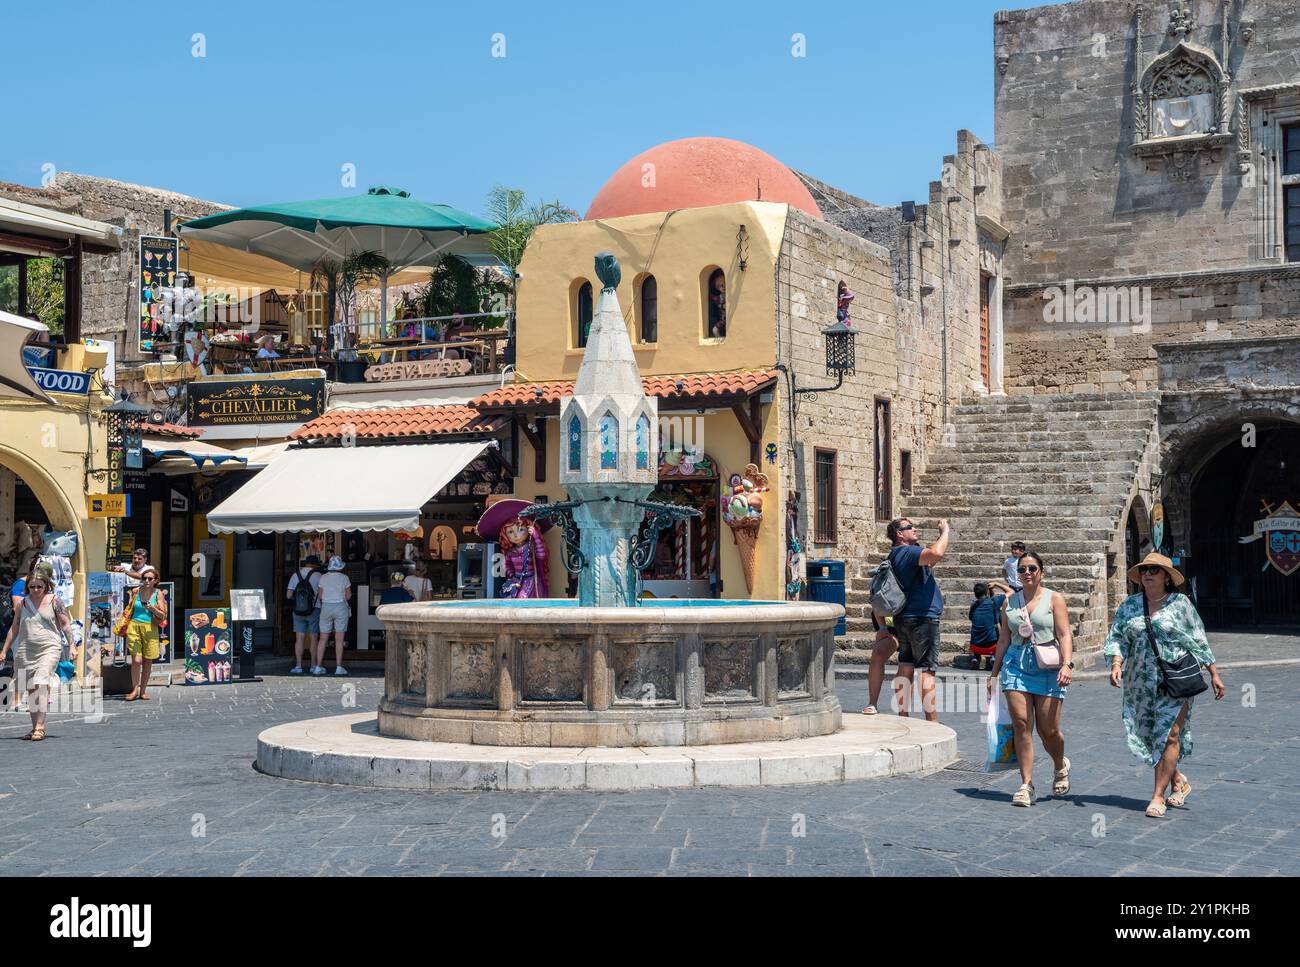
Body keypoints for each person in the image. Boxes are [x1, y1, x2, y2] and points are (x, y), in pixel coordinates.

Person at [1103, 552, 1225, 819]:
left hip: (1175, 678)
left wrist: (1213, 673)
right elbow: (1119, 637)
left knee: (1169, 734)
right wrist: (1115, 664)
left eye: (1154, 570)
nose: (1148, 574)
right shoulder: (1130, 606)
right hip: (1140, 681)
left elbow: (1198, 638)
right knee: (1149, 735)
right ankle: (1177, 779)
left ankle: (1157, 796)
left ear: (1167, 577)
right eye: (1145, 570)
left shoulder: (1180, 605)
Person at [987, 551, 1074, 806]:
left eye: (1032, 569)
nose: (1026, 573)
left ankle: (1059, 764)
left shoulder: (1054, 599)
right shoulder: (1008, 602)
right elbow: (1003, 638)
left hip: (1047, 664)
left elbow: (1065, 634)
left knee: (1049, 731)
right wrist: (994, 674)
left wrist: (1067, 664)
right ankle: (1026, 785)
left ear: (1041, 572)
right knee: (1022, 724)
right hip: (1015, 664)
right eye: (1022, 569)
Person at [865, 517, 948, 720]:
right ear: (899, 534)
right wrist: (945, 532)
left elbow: (931, 559)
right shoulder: (909, 552)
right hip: (923, 618)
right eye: (909, 527)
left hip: (903, 618)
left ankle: (903, 714)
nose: (915, 529)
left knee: (906, 665)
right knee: (927, 671)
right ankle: (932, 721)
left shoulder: (895, 555)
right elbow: (937, 553)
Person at [0, 565, 75, 741]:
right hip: (26, 649)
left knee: (41, 682)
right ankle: (35, 727)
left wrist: (72, 645)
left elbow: (65, 624)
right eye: (32, 586)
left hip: (49, 647)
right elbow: (15, 627)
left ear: (46, 585)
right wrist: (4, 650)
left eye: (39, 586)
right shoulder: (23, 603)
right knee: (31, 688)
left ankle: (40, 727)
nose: (35, 590)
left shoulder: (54, 601)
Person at [123, 566, 169, 701]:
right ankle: (134, 690)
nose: (147, 581)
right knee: (136, 660)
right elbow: (129, 609)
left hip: (150, 627)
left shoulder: (158, 593)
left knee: (148, 661)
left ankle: (143, 691)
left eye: (150, 578)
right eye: (144, 578)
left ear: (155, 580)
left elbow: (163, 615)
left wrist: (152, 608)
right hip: (134, 626)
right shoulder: (136, 591)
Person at [315, 556, 351, 676]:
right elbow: (348, 596)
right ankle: (339, 667)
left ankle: (318, 666)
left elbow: (320, 595)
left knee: (323, 638)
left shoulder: (323, 577)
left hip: (326, 607)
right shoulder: (344, 578)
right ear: (340, 567)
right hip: (340, 607)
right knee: (339, 639)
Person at [286, 554, 322, 675]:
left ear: (305, 564)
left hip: (298, 610)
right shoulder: (318, 576)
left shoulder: (295, 575)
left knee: (299, 638)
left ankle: (298, 666)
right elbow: (322, 595)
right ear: (315, 565)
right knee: (313, 638)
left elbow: (288, 595)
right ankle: (313, 666)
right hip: (314, 609)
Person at [965, 582, 1006, 670]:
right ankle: (994, 657)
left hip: (975, 646)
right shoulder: (994, 602)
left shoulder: (973, 605)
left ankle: (975, 657)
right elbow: (1012, 592)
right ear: (987, 592)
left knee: (976, 631)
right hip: (992, 646)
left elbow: (971, 618)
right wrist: (997, 583)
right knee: (998, 616)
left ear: (975, 594)